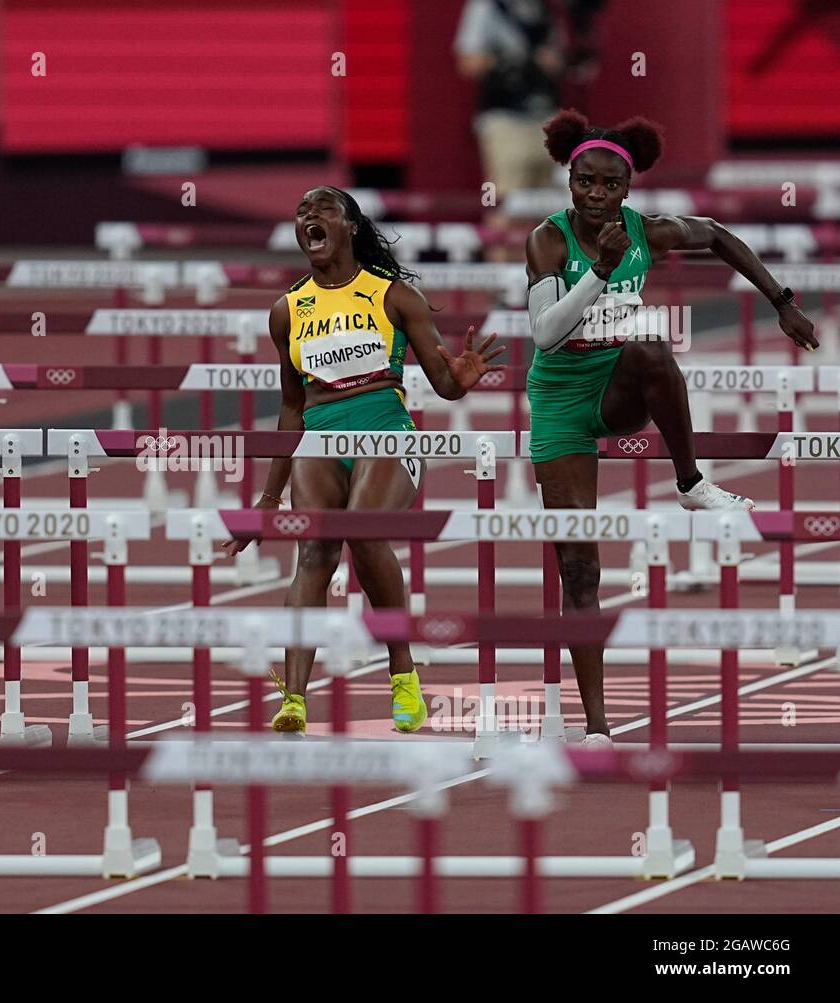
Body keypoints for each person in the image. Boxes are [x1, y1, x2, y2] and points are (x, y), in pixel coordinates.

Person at [524, 109, 818, 748]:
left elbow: (715, 235)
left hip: (619, 379)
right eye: (585, 183)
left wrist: (782, 302)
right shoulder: (547, 241)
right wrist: (598, 271)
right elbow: (544, 334)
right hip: (559, 395)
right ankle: (598, 725)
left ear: (627, 191)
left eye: (608, 185)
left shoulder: (647, 233)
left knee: (652, 347)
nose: (596, 196)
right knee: (579, 568)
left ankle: (689, 482)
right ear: (568, 181)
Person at [229, 187, 507, 735]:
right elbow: (291, 406)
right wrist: (267, 496)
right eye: (300, 211)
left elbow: (445, 384)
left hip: (386, 431)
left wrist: (462, 379)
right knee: (314, 552)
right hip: (320, 436)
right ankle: (295, 700)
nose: (309, 217)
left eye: (322, 210)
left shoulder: (394, 296)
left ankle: (402, 672)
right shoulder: (286, 310)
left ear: (350, 225)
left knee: (362, 531)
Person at [454, 0, 567, 227]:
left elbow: (560, 57)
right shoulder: (487, 7)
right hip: (506, 120)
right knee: (508, 206)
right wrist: (515, 60)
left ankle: (545, 262)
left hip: (546, 117)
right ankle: (501, 261)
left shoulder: (545, 8)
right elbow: (468, 62)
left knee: (554, 212)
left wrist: (553, 61)